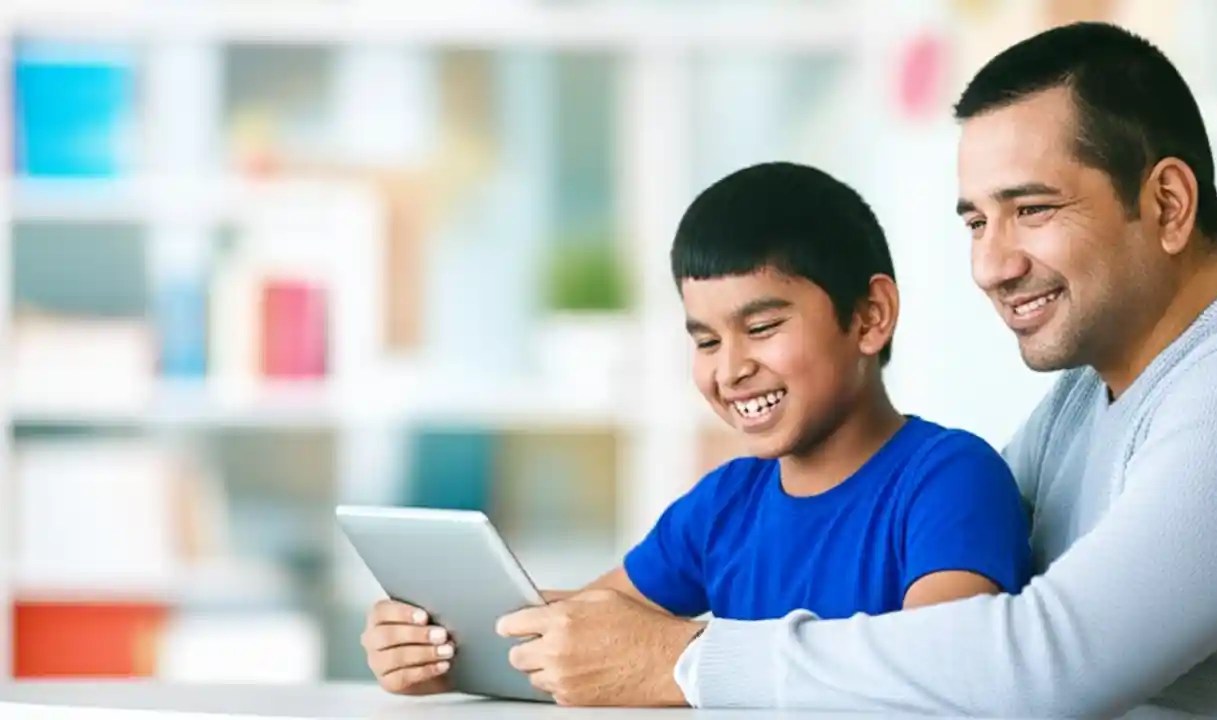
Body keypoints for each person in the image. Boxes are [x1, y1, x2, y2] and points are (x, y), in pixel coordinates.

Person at [488, 21, 1217, 718]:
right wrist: (506, 635)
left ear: (1170, 204)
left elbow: (1041, 668)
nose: (992, 265)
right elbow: (926, 619)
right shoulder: (1099, 384)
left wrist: (676, 660)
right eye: (976, 220)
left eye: (1032, 209)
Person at [360, 162, 1034, 701]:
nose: (732, 368)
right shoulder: (726, 504)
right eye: (706, 339)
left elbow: (946, 676)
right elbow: (592, 633)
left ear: (869, 316)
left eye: (763, 327)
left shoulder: (950, 479)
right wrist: (446, 648)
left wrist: (674, 656)